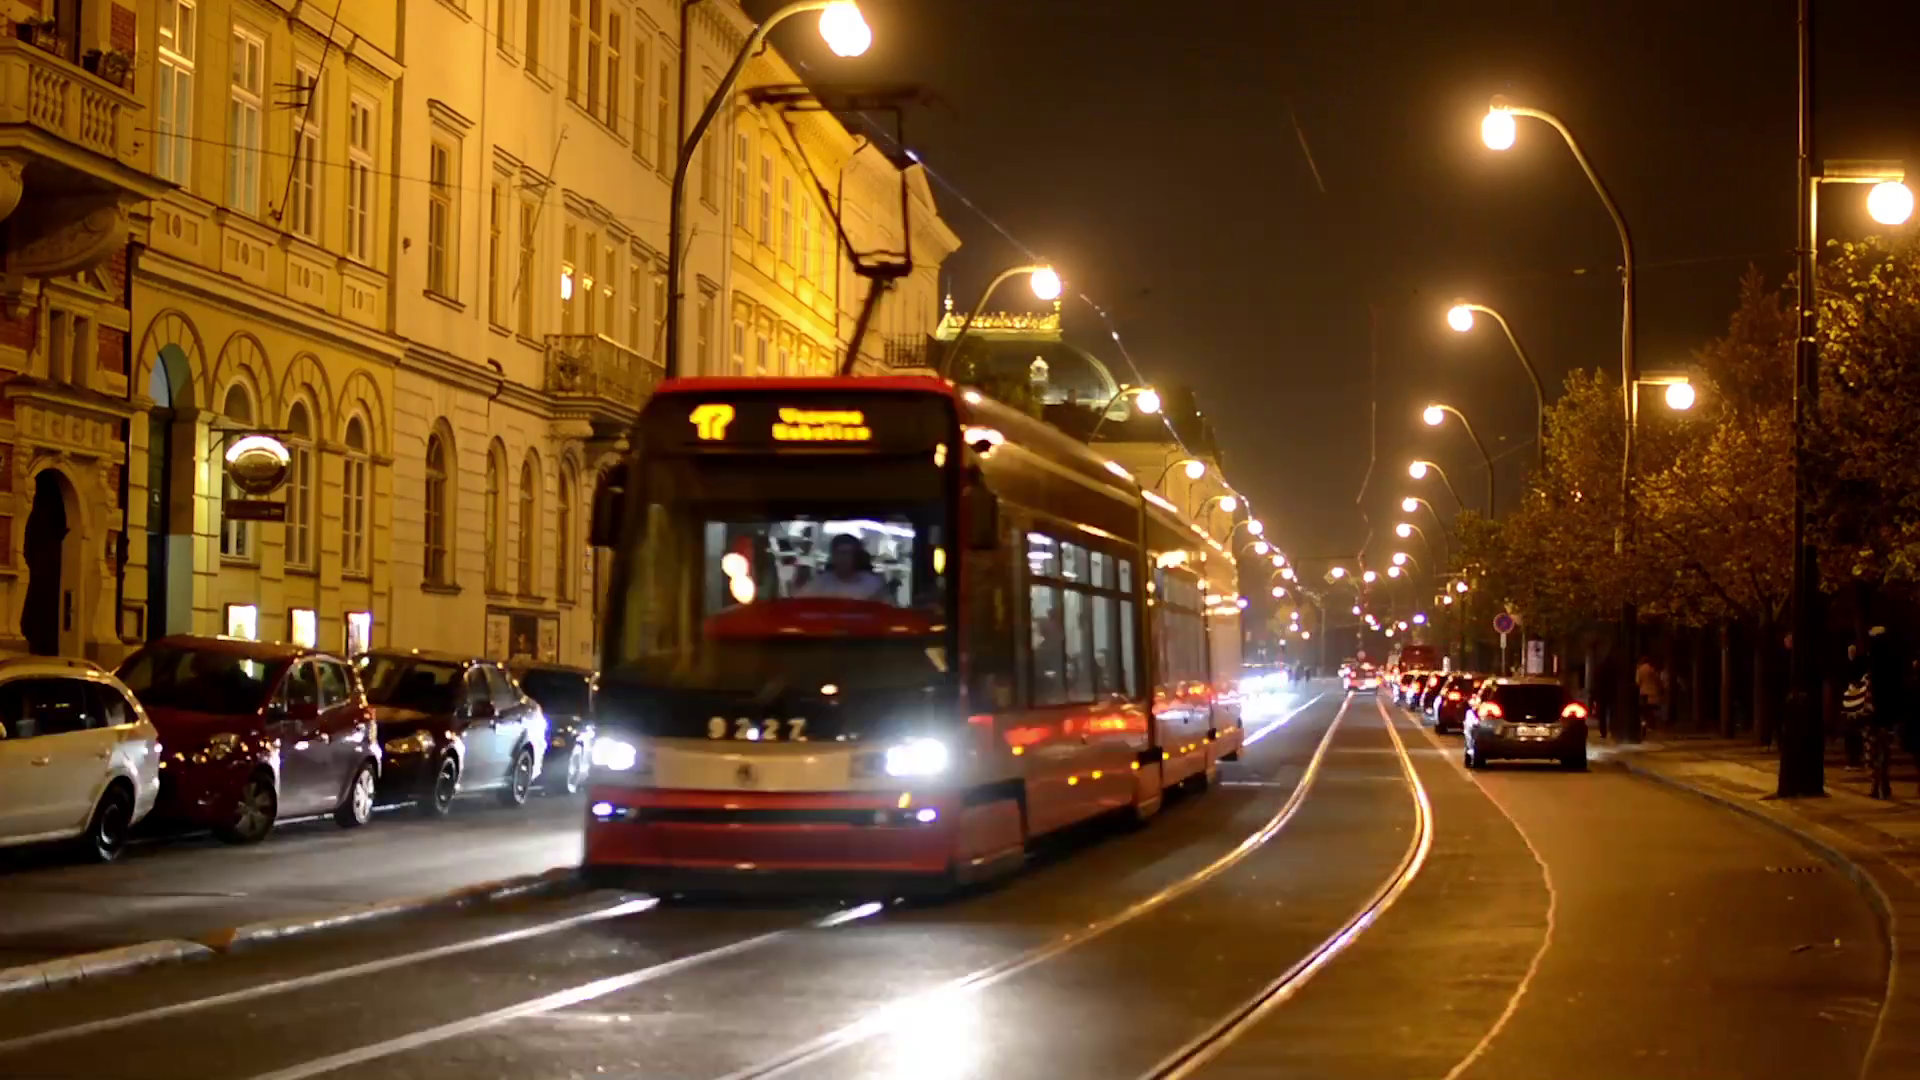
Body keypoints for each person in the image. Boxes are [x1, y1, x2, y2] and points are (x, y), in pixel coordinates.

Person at [796, 534, 892, 603]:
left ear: (856, 556)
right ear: (833, 556)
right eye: (840, 553)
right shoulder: (820, 582)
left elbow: (885, 612)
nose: (844, 558)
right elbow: (800, 603)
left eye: (849, 553)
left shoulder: (872, 584)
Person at [1635, 655, 1663, 738]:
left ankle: (1643, 724)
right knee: (1651, 711)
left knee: (1643, 711)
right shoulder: (1652, 669)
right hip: (1653, 693)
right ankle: (1650, 726)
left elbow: (1637, 682)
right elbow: (1658, 681)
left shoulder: (1639, 669)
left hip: (1643, 693)